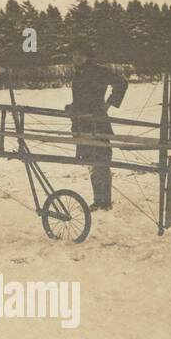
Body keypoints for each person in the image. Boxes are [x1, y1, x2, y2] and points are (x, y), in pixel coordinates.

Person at [65, 42, 127, 212]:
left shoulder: (99, 71)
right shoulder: (78, 73)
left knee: (101, 161)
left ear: (88, 56)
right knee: (92, 162)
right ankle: (98, 201)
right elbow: (83, 98)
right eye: (74, 54)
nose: (76, 57)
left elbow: (121, 83)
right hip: (82, 123)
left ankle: (105, 202)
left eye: (80, 54)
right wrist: (72, 107)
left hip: (97, 123)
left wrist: (108, 105)